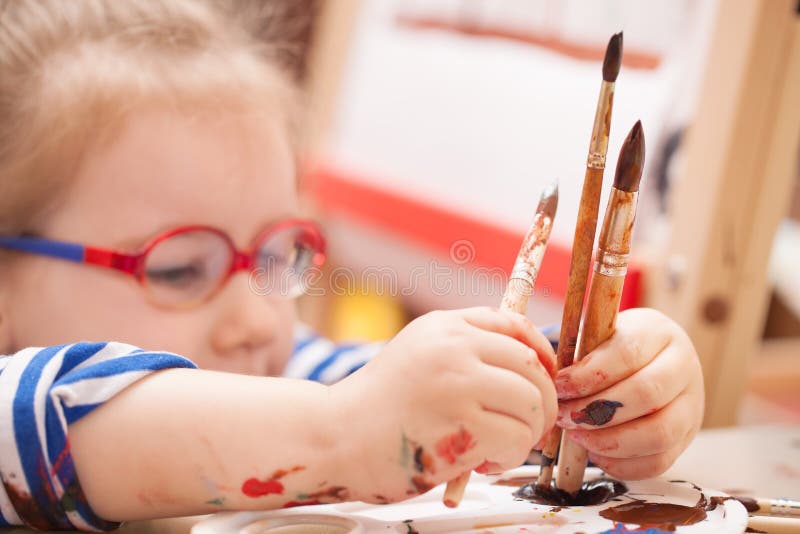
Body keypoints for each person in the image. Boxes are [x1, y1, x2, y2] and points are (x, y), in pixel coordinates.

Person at [0, 1, 704, 530]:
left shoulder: (288, 372)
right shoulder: (12, 412)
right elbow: (78, 418)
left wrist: (607, 387)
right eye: (180, 269)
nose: (253, 318)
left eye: (276, 256)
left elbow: (418, 401)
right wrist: (346, 430)